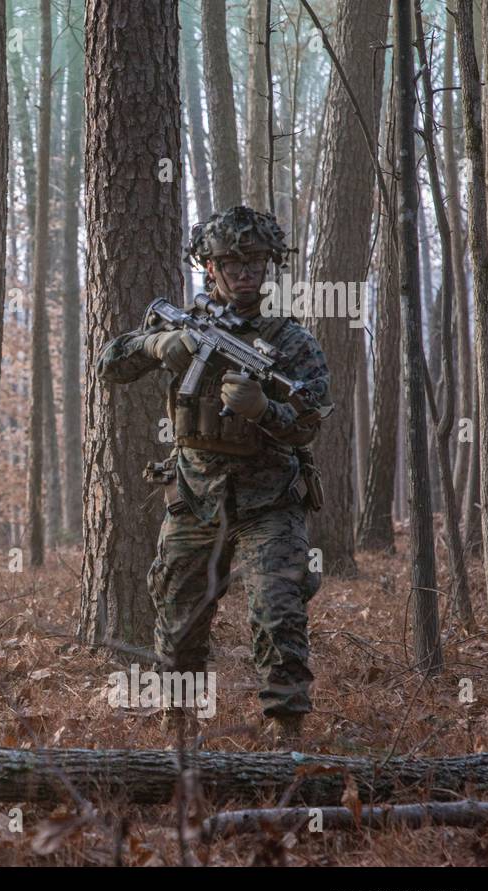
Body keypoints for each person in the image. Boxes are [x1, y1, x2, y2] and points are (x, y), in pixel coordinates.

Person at [97, 206, 332, 747]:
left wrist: (263, 411)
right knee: (178, 621)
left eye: (255, 261)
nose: (245, 272)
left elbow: (309, 426)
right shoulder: (181, 322)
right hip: (193, 498)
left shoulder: (291, 342)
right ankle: (177, 732)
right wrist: (157, 345)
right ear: (209, 266)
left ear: (270, 265)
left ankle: (285, 731)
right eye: (232, 262)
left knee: (278, 613)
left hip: (269, 502)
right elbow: (112, 363)